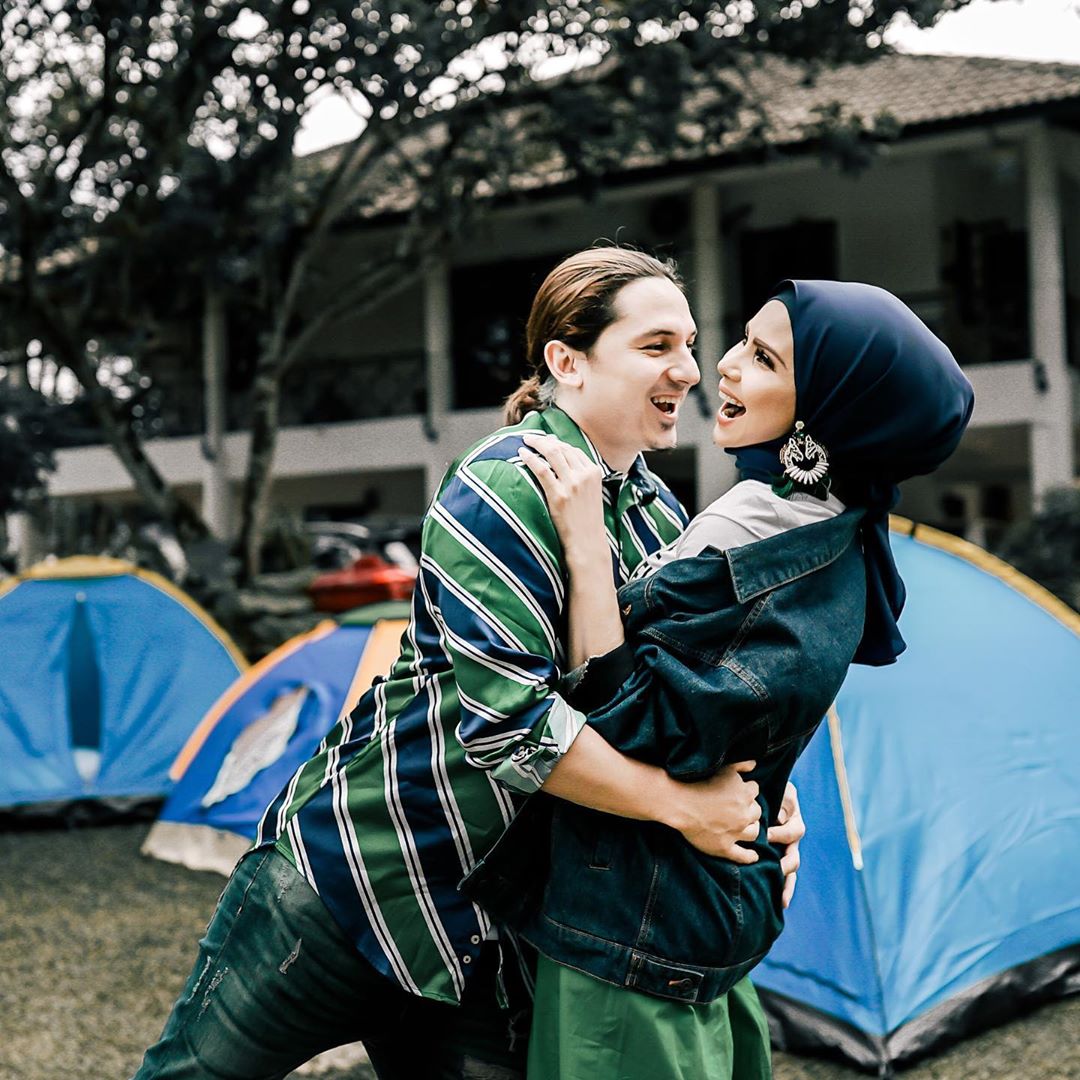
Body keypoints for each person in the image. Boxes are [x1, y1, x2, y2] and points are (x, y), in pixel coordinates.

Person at [131, 247, 805, 1080]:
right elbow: (511, 726)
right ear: (568, 361)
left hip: (486, 938)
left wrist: (760, 809)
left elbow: (684, 700)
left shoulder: (660, 517)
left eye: (691, 345)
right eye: (656, 345)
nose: (691, 370)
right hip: (353, 885)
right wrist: (681, 808)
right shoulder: (502, 483)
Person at [464, 279, 974, 1079]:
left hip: (641, 928)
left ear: (824, 411)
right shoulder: (808, 524)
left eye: (764, 359)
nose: (721, 369)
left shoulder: (761, 538)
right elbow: (737, 714)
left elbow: (633, 721)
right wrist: (769, 789)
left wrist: (587, 545)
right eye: (735, 342)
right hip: (690, 913)